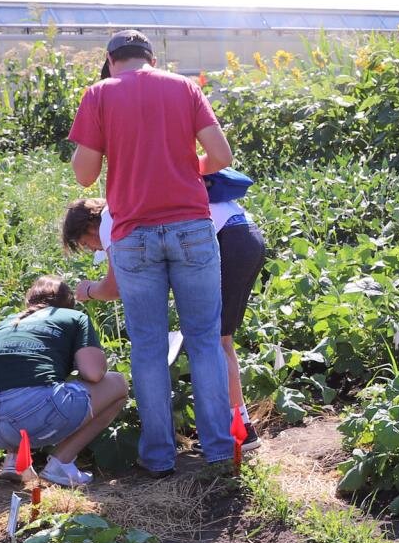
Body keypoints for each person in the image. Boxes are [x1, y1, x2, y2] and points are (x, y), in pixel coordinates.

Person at [69, 29, 236, 477]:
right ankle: (220, 448)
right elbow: (221, 154)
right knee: (204, 339)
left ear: (110, 59)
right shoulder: (184, 86)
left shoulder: (99, 94)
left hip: (134, 233)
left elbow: (85, 176)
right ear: (151, 57)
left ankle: (159, 456)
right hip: (191, 227)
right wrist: (186, 168)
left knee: (147, 347)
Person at [62, 183, 266, 452]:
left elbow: (116, 286)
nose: (92, 249)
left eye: (86, 245)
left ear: (89, 227)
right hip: (244, 235)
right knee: (219, 338)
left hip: (229, 241)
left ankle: (237, 433)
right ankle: (237, 428)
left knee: (214, 341)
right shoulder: (130, 204)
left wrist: (88, 290)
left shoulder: (111, 218)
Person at [0, 276, 127, 486]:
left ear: (29, 301)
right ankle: (61, 464)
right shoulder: (73, 317)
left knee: (16, 379)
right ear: (68, 303)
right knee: (118, 384)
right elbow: (93, 373)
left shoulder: (9, 321)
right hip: (29, 414)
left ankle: (14, 461)